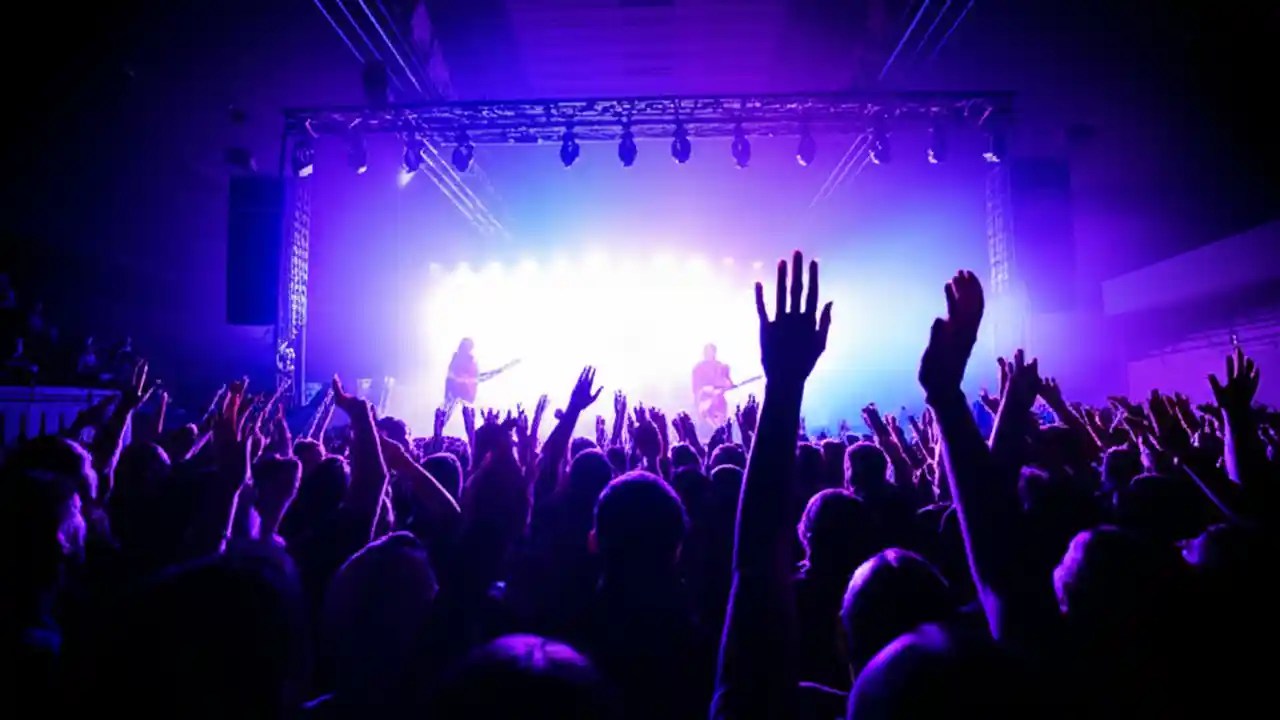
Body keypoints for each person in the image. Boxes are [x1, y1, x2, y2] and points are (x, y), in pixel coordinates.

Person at [691, 344, 734, 427]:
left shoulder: (721, 366)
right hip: (705, 402)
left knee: (722, 426)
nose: (709, 354)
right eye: (707, 352)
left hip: (719, 402)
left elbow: (728, 383)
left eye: (711, 352)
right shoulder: (698, 368)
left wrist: (727, 383)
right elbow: (696, 389)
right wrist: (709, 392)